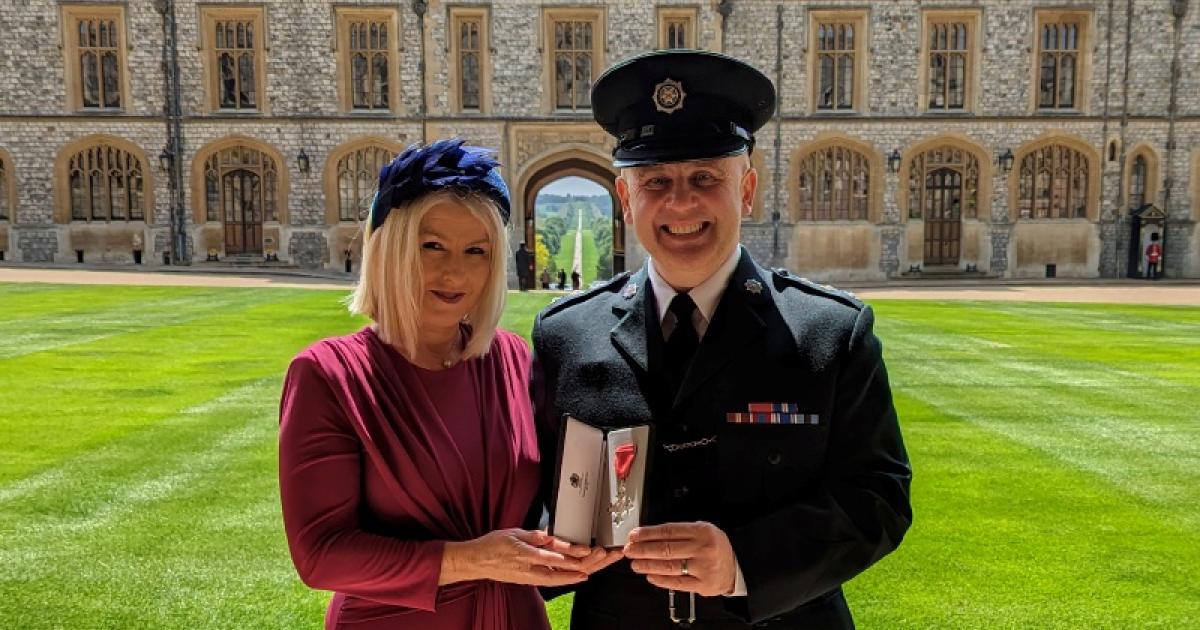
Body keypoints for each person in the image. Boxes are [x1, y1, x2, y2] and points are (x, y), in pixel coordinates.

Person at [531, 51, 912, 629]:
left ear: (748, 188)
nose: (681, 202)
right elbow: (536, 494)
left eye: (705, 177)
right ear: (627, 199)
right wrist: (552, 548)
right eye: (656, 180)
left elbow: (879, 498)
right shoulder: (567, 335)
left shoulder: (829, 332)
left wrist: (742, 562)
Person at [279, 139, 618, 630]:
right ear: (391, 247)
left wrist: (571, 544)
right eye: (432, 245)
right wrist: (472, 560)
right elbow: (321, 555)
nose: (454, 270)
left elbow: (541, 502)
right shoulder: (329, 375)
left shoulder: (510, 358)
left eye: (476, 250)